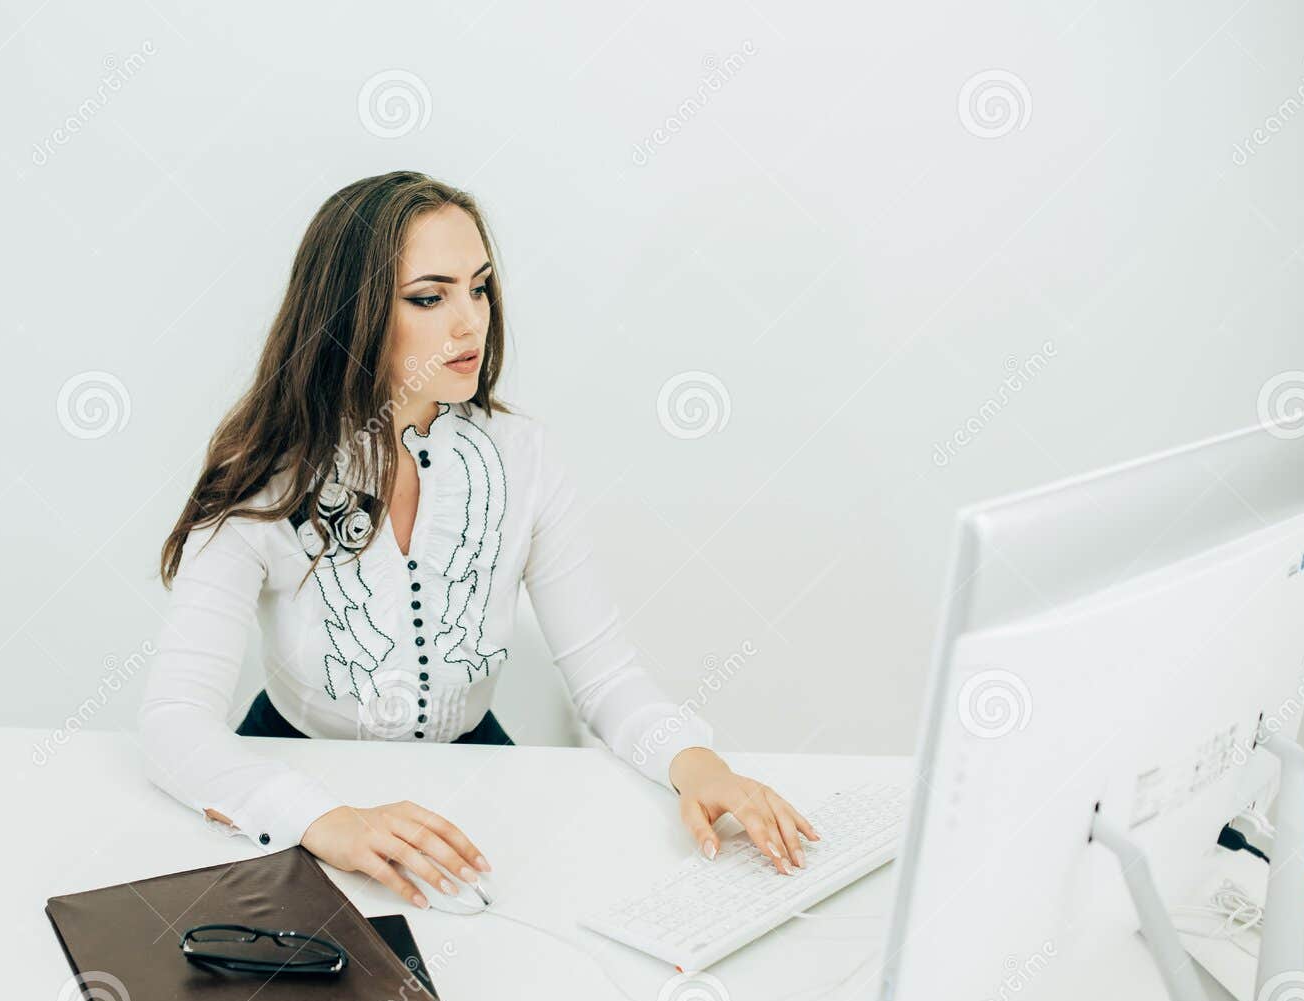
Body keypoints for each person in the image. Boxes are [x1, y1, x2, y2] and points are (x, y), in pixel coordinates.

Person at [137, 171, 816, 910]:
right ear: (350, 314)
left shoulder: (525, 457)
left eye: (481, 287)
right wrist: (322, 819)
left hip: (479, 780)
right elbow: (174, 722)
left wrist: (699, 765)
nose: (470, 321)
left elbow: (607, 679)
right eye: (430, 297)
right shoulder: (261, 477)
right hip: (298, 781)